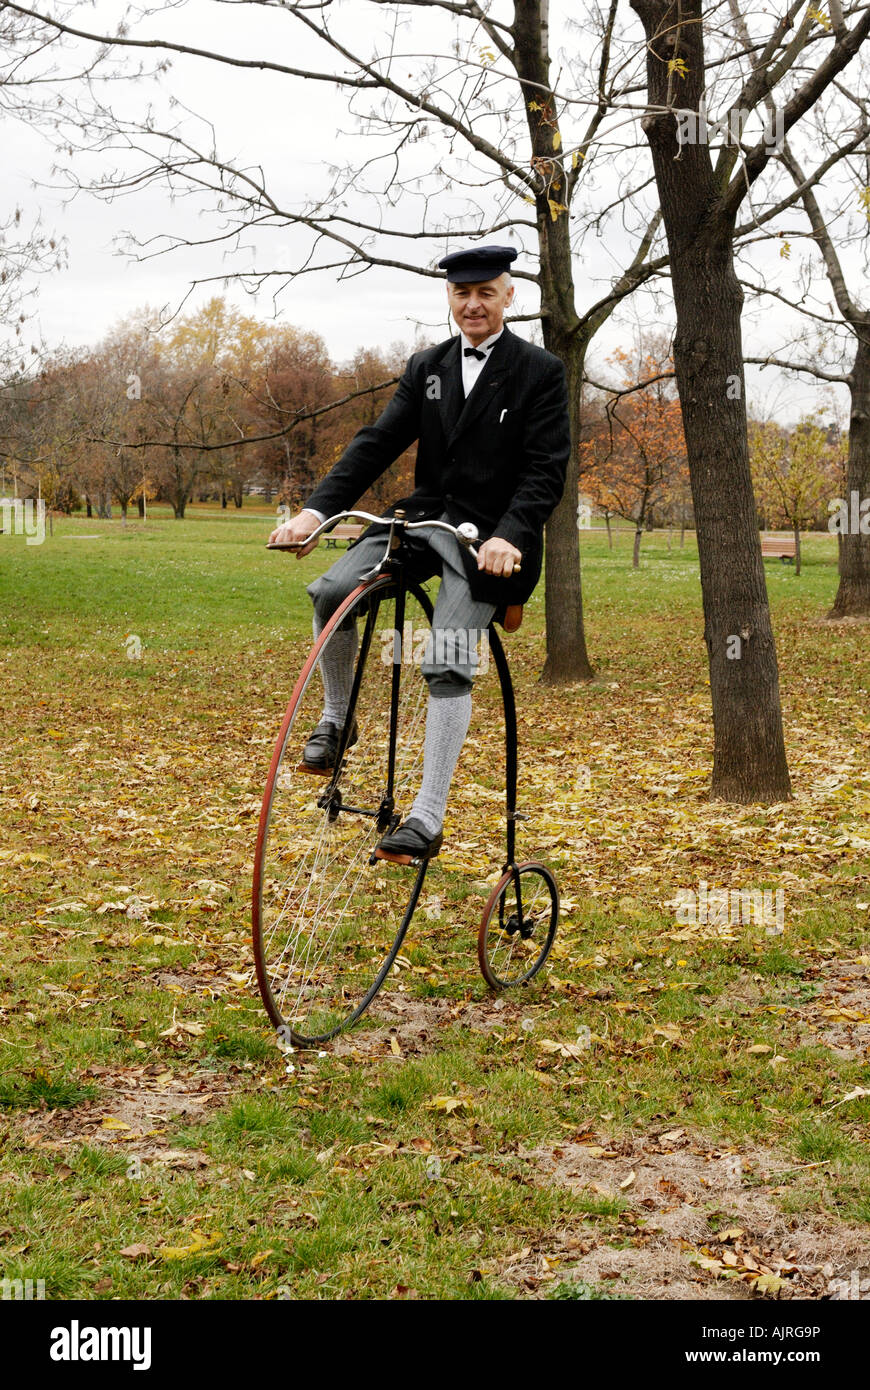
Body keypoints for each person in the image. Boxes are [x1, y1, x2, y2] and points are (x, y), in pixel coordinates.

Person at [268, 243, 570, 863]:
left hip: (490, 536)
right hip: (426, 515)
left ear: (508, 294)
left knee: (448, 653)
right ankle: (337, 718)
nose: (473, 304)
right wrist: (315, 512)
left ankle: (427, 817)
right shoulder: (425, 366)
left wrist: (510, 536)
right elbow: (375, 443)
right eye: (462, 293)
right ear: (449, 298)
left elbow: (545, 471)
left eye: (486, 291)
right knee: (329, 592)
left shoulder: (539, 371)